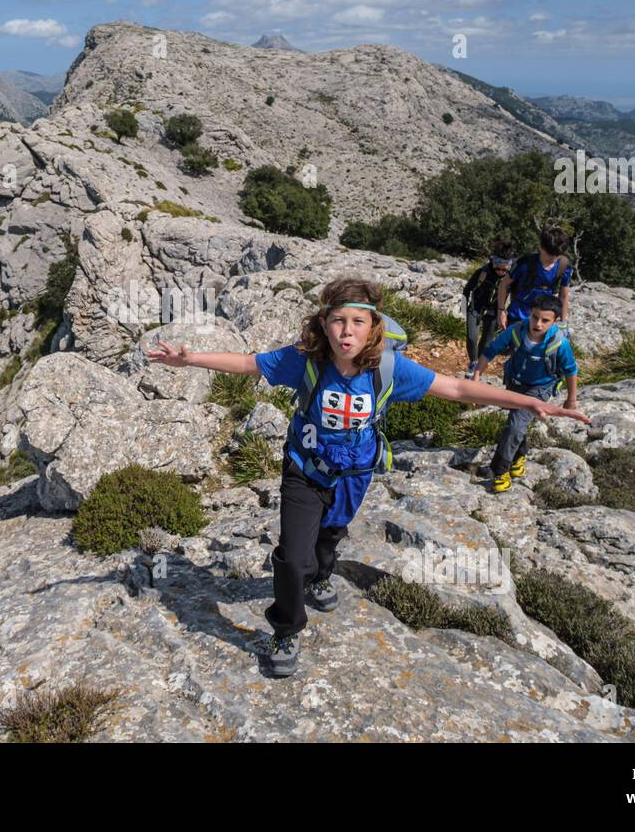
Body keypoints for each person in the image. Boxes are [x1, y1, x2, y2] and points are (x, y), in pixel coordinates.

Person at [146, 276, 591, 677]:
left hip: (355, 473)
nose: (346, 332)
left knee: (330, 537)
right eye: (338, 321)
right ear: (323, 324)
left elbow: (455, 388)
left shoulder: (390, 369)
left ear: (373, 326)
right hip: (305, 469)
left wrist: (525, 402)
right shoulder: (304, 361)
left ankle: (323, 575)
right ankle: (287, 628)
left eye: (357, 322)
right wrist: (191, 361)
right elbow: (248, 363)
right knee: (291, 556)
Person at [472, 294, 579, 494]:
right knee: (516, 423)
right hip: (516, 382)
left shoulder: (560, 343)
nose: (537, 324)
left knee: (515, 423)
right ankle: (520, 456)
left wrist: (571, 399)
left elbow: (571, 370)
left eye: (545, 320)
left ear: (555, 321)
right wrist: (476, 376)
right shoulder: (517, 330)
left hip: (540, 388)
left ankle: (500, 472)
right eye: (534, 317)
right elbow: (491, 350)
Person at [497, 227, 572, 331]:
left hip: (543, 319)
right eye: (550, 254)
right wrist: (501, 311)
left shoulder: (563, 266)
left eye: (557, 255)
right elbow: (503, 285)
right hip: (518, 315)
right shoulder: (525, 263)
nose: (553, 259)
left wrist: (563, 322)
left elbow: (563, 295)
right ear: (541, 247)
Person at [462, 240, 516, 377]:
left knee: (486, 341)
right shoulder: (482, 272)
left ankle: (477, 365)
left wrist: (505, 313)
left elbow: (515, 295)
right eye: (498, 268)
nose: (501, 272)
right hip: (475, 308)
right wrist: (463, 310)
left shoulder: (511, 278)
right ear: (492, 262)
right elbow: (467, 290)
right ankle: (473, 361)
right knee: (472, 337)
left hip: (493, 313)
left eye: (505, 269)